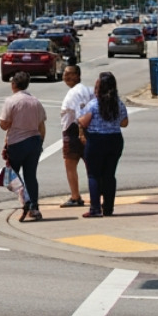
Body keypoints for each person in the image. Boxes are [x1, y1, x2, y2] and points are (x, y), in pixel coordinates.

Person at [77, 71, 128, 218]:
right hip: (115, 140)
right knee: (109, 175)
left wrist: (81, 121)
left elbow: (83, 122)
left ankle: (95, 208)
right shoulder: (119, 104)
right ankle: (108, 208)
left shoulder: (93, 105)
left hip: (96, 140)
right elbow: (124, 123)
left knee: (93, 175)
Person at [0, 71, 47, 222]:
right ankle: (34, 207)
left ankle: (26, 200)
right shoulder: (35, 101)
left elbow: (4, 124)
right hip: (34, 141)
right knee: (31, 175)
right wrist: (40, 143)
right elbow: (41, 125)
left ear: (13, 84)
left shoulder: (11, 101)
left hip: (17, 142)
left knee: (11, 175)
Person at [58, 64, 94, 208]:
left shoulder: (75, 93)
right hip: (84, 130)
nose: (65, 76)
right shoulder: (87, 90)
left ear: (77, 76)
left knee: (70, 164)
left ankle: (75, 196)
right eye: (64, 74)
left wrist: (81, 133)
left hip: (74, 131)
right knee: (90, 165)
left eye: (69, 74)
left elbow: (80, 114)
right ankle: (95, 194)